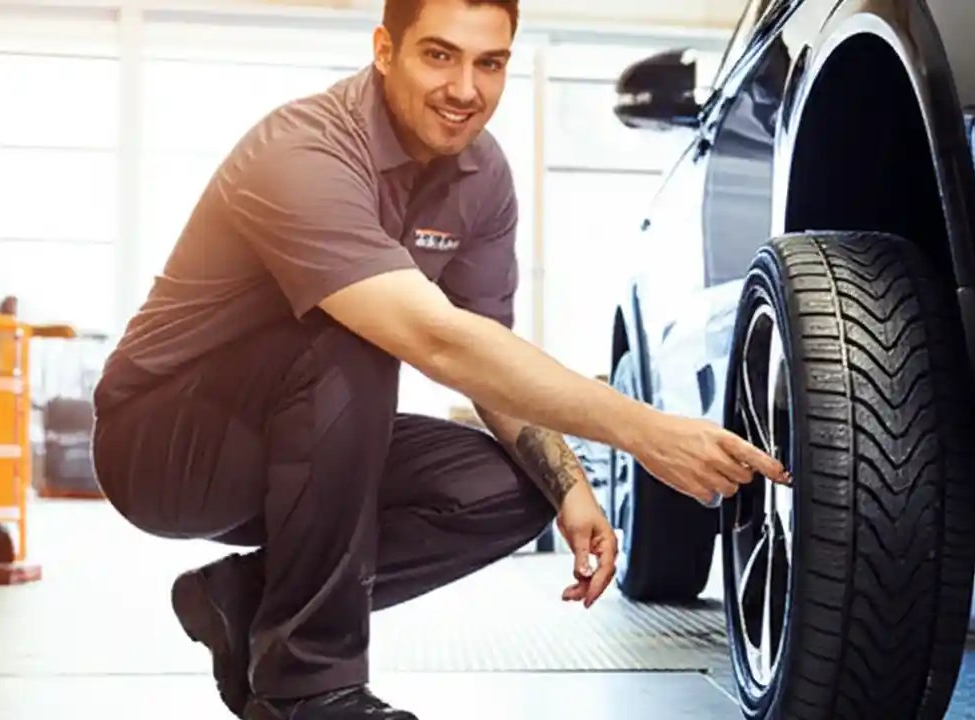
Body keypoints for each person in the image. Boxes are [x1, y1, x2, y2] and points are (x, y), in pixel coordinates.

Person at [89, 0, 790, 718]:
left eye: (490, 63)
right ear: (384, 50)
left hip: (295, 436)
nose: (465, 89)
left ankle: (241, 603)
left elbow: (487, 352)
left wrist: (573, 487)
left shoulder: (482, 177)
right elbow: (434, 337)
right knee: (362, 324)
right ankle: (308, 692)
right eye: (439, 55)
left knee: (518, 488)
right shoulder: (302, 147)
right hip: (163, 442)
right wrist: (643, 431)